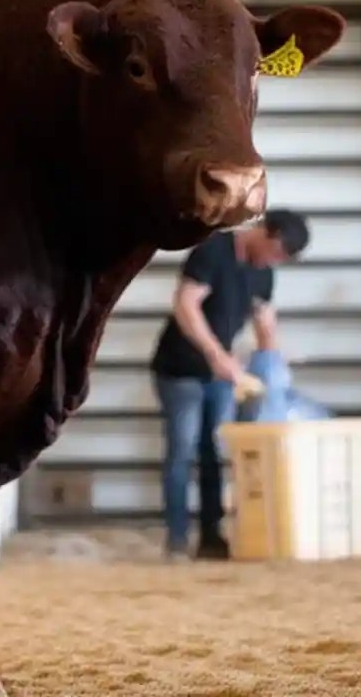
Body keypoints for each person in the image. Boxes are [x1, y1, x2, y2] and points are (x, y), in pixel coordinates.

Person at [148, 209, 310, 560]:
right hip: (181, 369)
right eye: (276, 251)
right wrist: (216, 355)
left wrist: (273, 366)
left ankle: (211, 537)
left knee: (214, 452)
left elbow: (265, 324)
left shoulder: (263, 274)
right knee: (182, 451)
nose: (274, 261)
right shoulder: (212, 250)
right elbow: (186, 304)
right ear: (264, 231)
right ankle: (177, 538)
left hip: (222, 375)